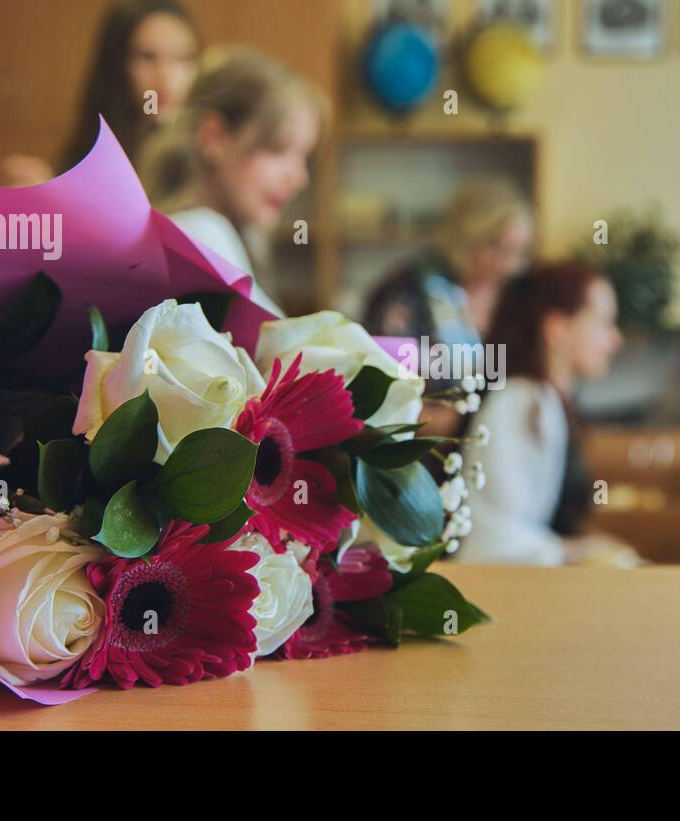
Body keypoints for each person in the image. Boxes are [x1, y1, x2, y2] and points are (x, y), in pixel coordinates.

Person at [458, 262, 637, 566]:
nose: (615, 340)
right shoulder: (520, 402)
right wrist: (576, 551)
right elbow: (496, 537)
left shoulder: (545, 400)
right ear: (559, 329)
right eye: (604, 323)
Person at [139, 46, 328, 317]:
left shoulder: (217, 234)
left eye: (303, 158)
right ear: (214, 136)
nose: (299, 178)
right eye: (277, 150)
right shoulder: (202, 232)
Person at [363, 178, 533, 434]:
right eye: (497, 248)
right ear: (465, 238)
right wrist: (459, 421)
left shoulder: (520, 294)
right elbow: (380, 397)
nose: (509, 265)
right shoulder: (408, 291)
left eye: (518, 251)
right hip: (427, 450)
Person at [2, 0, 200, 186]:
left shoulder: (205, 152)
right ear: (116, 65)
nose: (166, 76)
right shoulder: (96, 150)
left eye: (183, 59)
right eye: (147, 57)